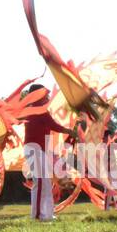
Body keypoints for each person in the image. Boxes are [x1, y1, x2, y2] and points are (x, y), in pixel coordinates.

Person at [21, 84, 73, 221]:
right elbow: (54, 126)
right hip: (34, 149)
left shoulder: (34, 110)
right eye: (44, 94)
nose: (47, 97)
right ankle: (38, 216)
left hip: (39, 150)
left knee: (45, 182)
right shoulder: (37, 111)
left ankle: (47, 215)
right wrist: (70, 131)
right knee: (41, 182)